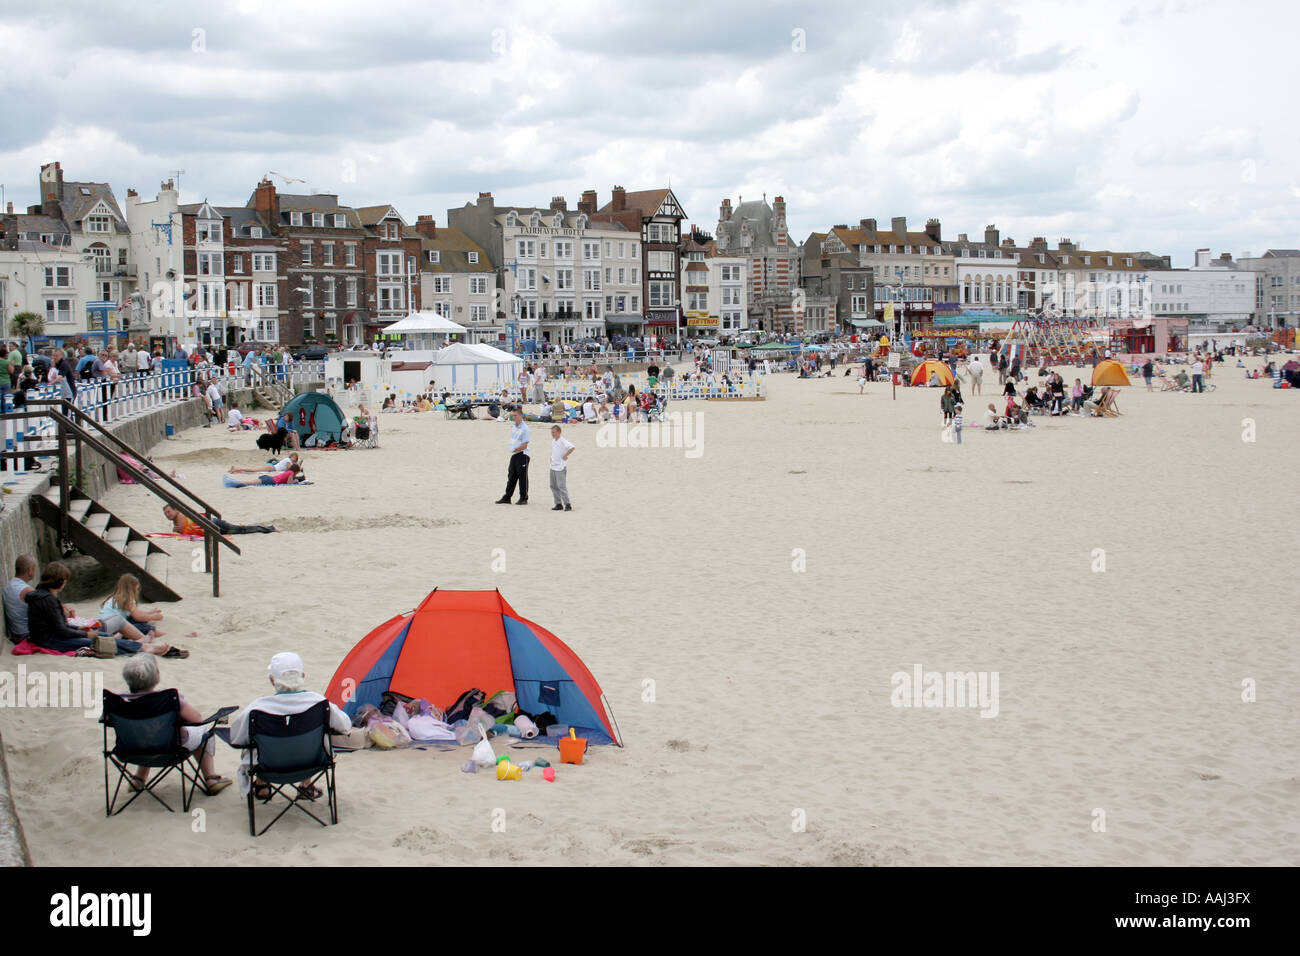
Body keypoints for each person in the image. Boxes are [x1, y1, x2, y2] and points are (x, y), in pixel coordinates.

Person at [228, 652, 352, 800]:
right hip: (312, 764)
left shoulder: (257, 709)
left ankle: (261, 786)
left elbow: (236, 739)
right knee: (311, 739)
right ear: (303, 676)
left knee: (256, 742)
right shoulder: (319, 704)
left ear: (272, 680)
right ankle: (306, 786)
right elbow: (345, 726)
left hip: (269, 767)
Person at [119, 654, 232, 795]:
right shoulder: (169, 700)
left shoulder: (118, 702)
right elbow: (197, 720)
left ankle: (138, 779)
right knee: (204, 730)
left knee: (145, 732)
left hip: (132, 750)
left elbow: (107, 720)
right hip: (171, 749)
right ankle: (210, 779)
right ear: (156, 677)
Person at [24, 561, 181, 657]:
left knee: (102, 635)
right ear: (60, 582)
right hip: (50, 641)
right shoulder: (48, 600)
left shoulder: (43, 595)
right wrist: (85, 633)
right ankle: (143, 647)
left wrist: (79, 627)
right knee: (97, 641)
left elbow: (58, 626)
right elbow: (59, 631)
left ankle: (141, 645)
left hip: (52, 636)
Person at [102, 574, 174, 639]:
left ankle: (146, 624)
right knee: (145, 627)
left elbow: (135, 613)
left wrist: (149, 613)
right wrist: (154, 616)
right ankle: (168, 634)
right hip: (115, 630)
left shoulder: (114, 597)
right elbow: (138, 617)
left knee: (133, 618)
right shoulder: (128, 599)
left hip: (104, 626)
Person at [163, 504, 278, 535]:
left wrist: (180, 531)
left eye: (169, 511)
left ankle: (270, 528)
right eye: (165, 513)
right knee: (240, 530)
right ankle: (268, 528)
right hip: (211, 525)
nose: (167, 515)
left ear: (176, 510)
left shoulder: (182, 517)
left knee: (240, 530)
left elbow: (191, 528)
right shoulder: (177, 523)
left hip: (212, 524)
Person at [495, 409, 530, 505]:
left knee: (522, 477)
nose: (513, 417)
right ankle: (507, 496)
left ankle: (523, 498)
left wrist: (516, 449)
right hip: (514, 454)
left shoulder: (525, 428)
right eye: (513, 416)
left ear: (520, 416)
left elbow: (525, 444)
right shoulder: (514, 426)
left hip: (522, 454)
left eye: (515, 415)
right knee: (511, 476)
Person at [3, 553, 38, 641]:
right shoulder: (27, 590)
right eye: (34, 569)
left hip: (16, 633)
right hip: (27, 634)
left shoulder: (8, 586)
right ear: (30, 570)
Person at [549, 425, 574, 512]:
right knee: (553, 485)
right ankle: (558, 504)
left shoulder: (563, 441)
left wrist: (566, 455)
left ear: (559, 432)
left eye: (554, 432)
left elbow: (572, 447)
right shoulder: (553, 441)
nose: (553, 434)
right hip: (553, 466)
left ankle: (567, 504)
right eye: (552, 432)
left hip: (560, 467)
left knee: (561, 486)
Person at [224, 464, 305, 487]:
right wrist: (296, 480)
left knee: (250, 482)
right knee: (249, 483)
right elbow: (289, 482)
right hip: (271, 480)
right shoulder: (291, 473)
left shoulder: (288, 471)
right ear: (296, 471)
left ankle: (236, 482)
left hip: (269, 478)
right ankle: (235, 482)